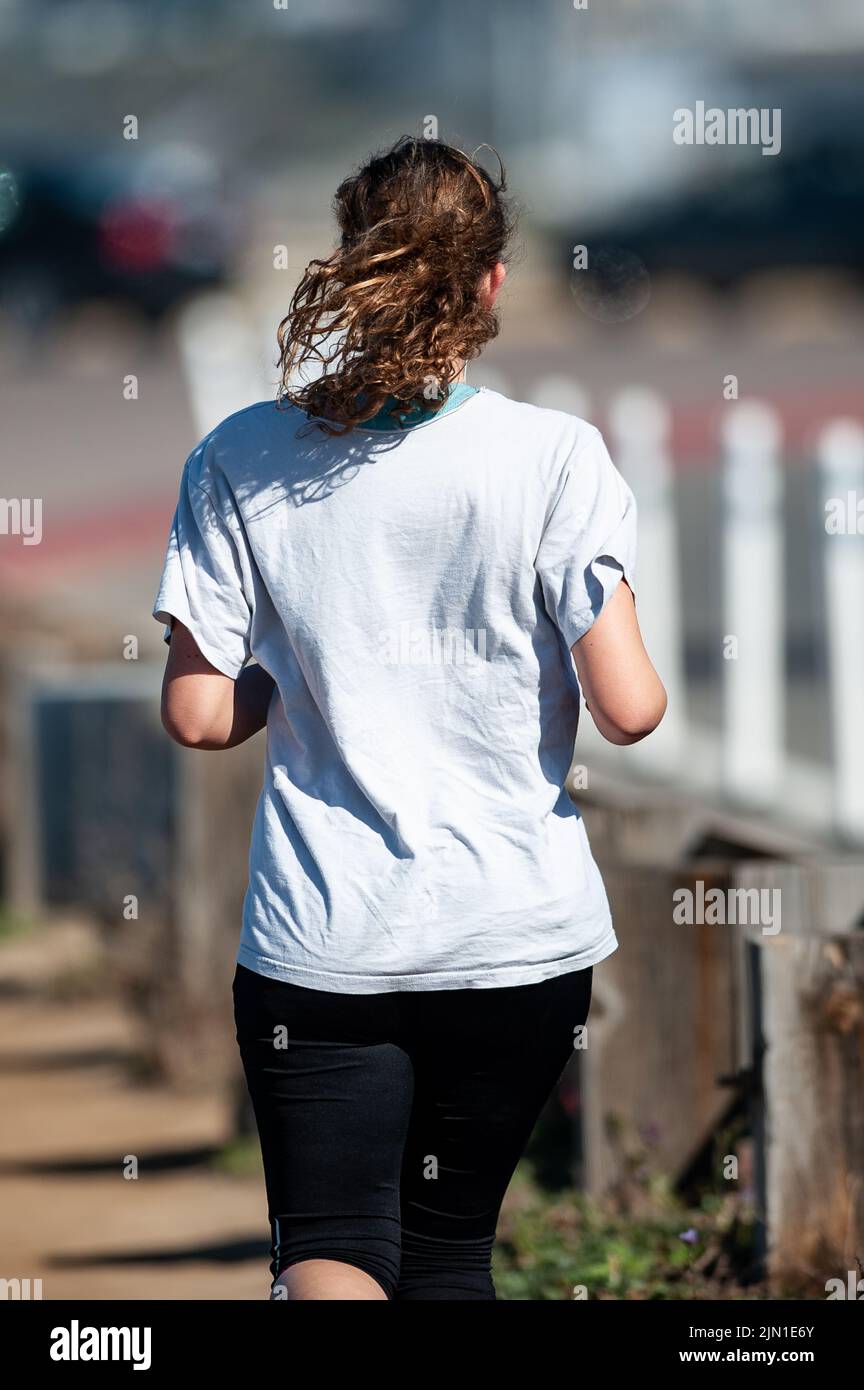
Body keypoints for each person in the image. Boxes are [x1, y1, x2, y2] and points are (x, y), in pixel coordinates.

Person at [153, 136, 666, 1301]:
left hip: (322, 939)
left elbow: (196, 713)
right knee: (448, 1253)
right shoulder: (555, 457)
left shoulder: (239, 454)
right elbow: (630, 708)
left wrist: (308, 667)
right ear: (490, 284)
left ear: (355, 264)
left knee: (333, 1243)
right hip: (512, 939)